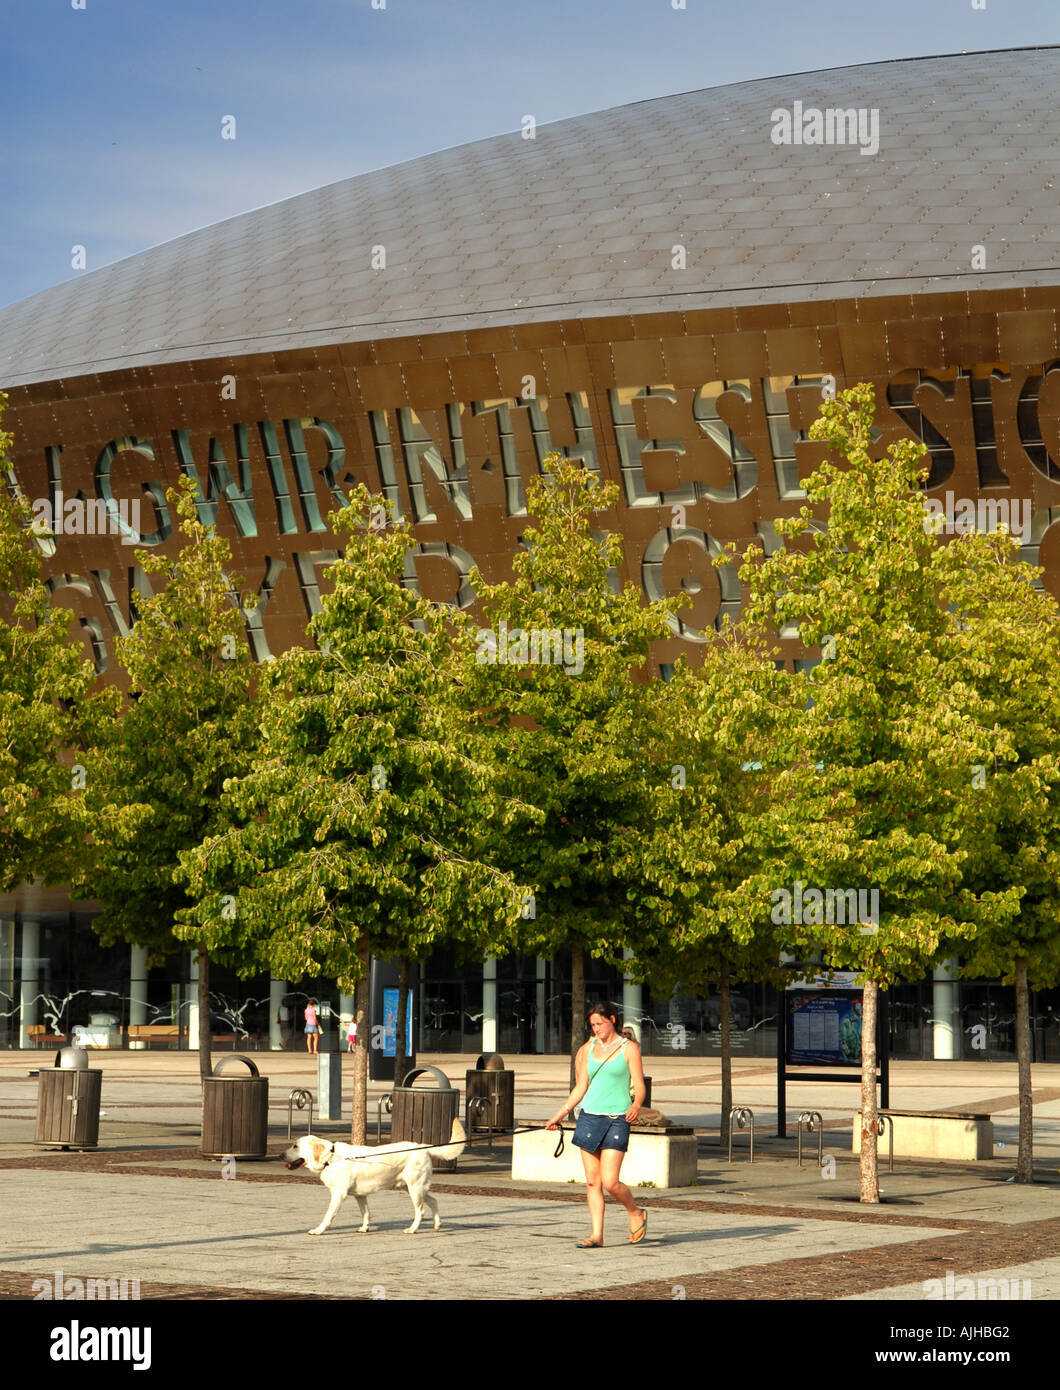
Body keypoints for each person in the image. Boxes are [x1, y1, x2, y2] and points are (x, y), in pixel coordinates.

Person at [546, 1001, 647, 1247]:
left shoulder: (629, 1048)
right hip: (589, 1117)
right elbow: (581, 1086)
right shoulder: (586, 1050)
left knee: (610, 1181)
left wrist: (635, 1105)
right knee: (593, 1181)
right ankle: (597, 1235)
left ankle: (635, 1212)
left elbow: (640, 1085)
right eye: (592, 1025)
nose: (596, 1029)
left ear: (612, 1019)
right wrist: (560, 1114)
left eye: (600, 1023)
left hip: (617, 1119)